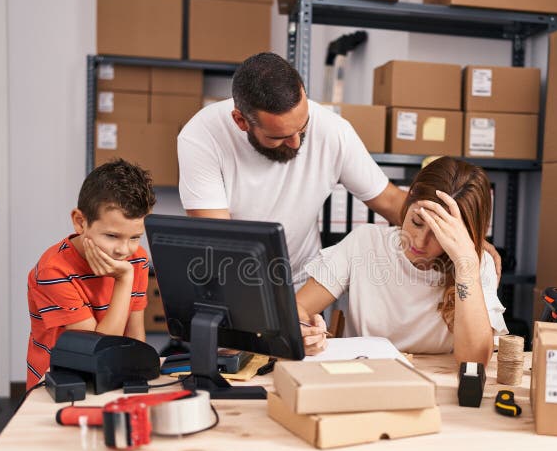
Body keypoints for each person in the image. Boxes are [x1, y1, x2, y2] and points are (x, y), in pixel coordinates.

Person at [177, 52, 501, 300]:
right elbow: (222, 243)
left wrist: (465, 236)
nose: (296, 143)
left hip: (299, 285)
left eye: (302, 128)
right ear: (241, 121)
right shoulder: (202, 137)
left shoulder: (332, 130)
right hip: (232, 282)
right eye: (280, 137)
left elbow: (391, 201)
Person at [296, 157, 508, 359]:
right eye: (416, 222)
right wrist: (304, 332)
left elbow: (474, 361)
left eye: (439, 234)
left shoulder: (476, 263)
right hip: (367, 374)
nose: (419, 242)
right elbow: (297, 309)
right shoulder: (365, 243)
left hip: (435, 380)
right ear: (409, 198)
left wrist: (465, 265)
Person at [25, 159, 156, 387]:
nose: (123, 250)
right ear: (80, 222)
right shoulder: (53, 270)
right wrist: (124, 280)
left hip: (112, 376)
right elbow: (95, 354)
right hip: (59, 385)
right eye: (112, 236)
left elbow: (135, 337)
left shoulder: (136, 259)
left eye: (135, 237)